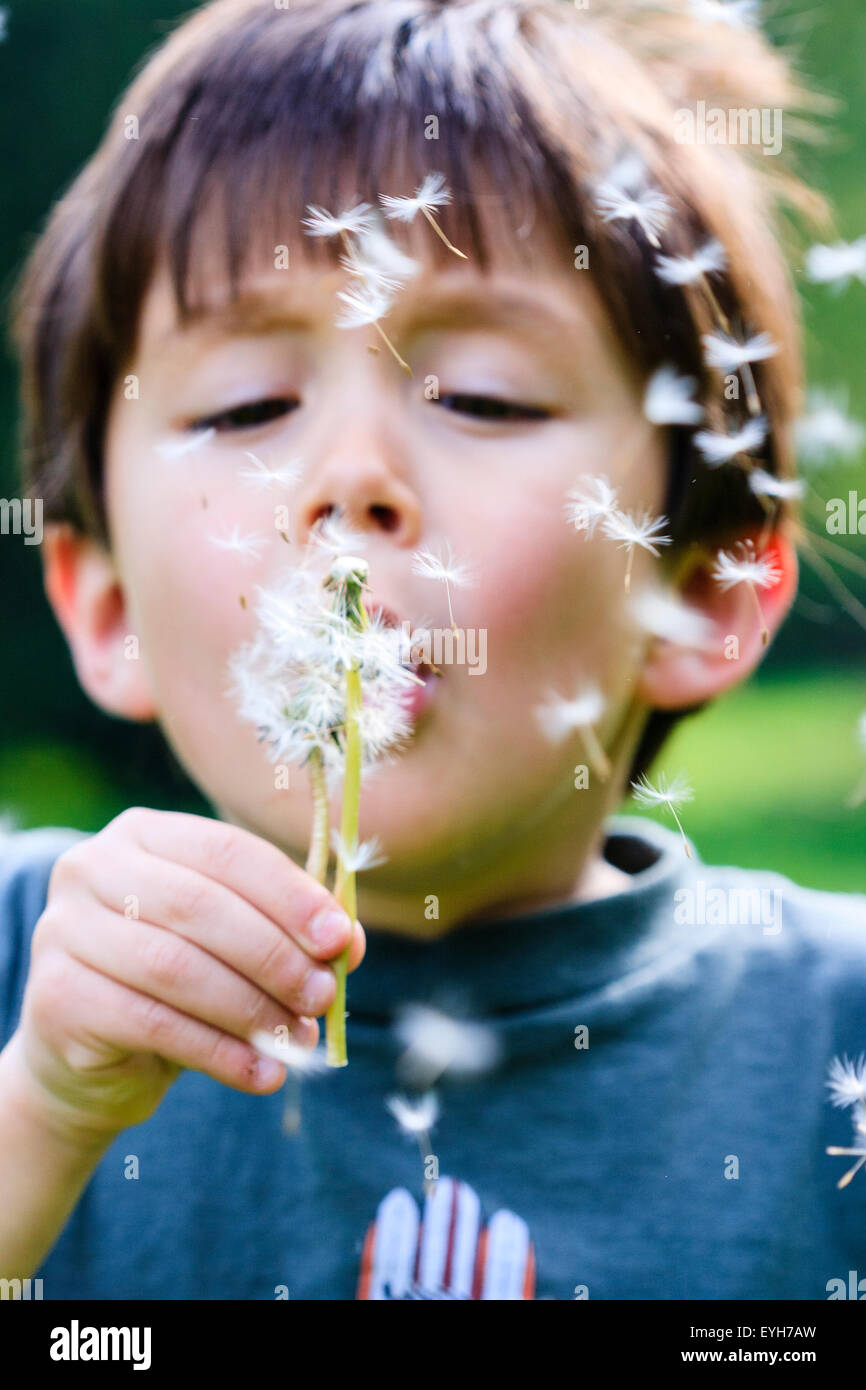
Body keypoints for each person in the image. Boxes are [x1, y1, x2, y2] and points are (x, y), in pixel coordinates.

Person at [1, 0, 863, 1300]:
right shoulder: (19, 974)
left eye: (482, 397)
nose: (348, 480)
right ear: (105, 606)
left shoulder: (833, 1042)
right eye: (244, 407)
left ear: (704, 592)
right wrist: (41, 1116)